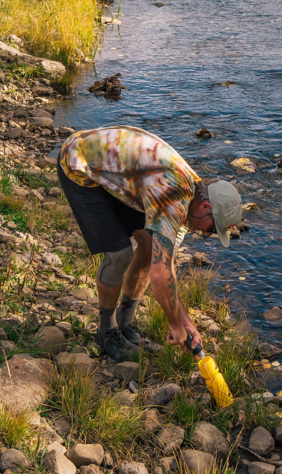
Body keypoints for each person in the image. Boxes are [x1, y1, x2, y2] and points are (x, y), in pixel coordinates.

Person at [57, 125, 244, 361]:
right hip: (79, 162)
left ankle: (126, 325)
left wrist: (185, 323)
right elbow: (159, 277)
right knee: (120, 255)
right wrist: (174, 326)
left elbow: (168, 271)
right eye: (212, 229)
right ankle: (106, 332)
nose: (208, 235)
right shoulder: (173, 199)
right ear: (206, 207)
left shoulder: (192, 197)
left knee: (148, 246)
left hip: (117, 172)